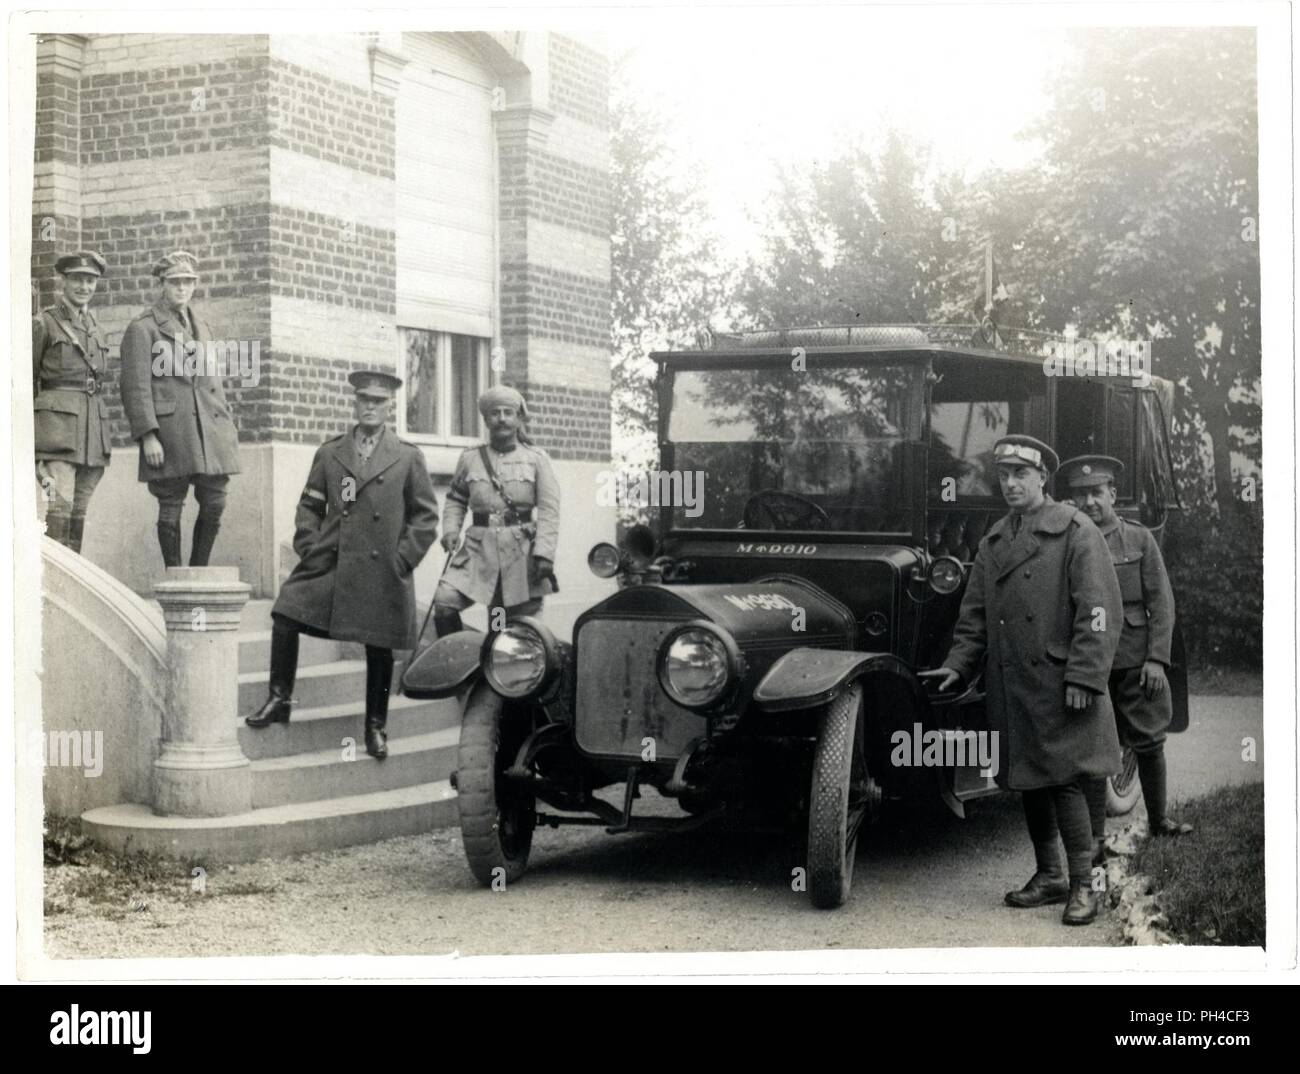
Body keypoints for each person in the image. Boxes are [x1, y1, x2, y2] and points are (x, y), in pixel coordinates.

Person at [920, 435, 1123, 926]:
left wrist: (1085, 675)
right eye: (1004, 475)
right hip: (1012, 684)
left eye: (1020, 475)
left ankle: (1083, 885)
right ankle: (1050, 874)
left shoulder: (1076, 531)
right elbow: (974, 618)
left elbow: (1099, 612)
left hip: (1061, 683)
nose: (1010, 484)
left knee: (1067, 781)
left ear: (1042, 479)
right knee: (1027, 779)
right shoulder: (994, 541)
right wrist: (958, 665)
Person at [244, 370, 439, 759]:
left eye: (378, 401)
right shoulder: (331, 452)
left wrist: (402, 559)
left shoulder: (408, 456)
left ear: (389, 407)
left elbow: (426, 517)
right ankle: (279, 698)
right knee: (285, 613)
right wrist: (309, 544)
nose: (370, 406)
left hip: (382, 567)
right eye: (363, 399)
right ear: (355, 403)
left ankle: (375, 726)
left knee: (379, 647)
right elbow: (310, 505)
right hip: (332, 560)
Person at [1058, 455, 1191, 845]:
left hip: (1134, 660)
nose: (1089, 502)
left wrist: (1156, 659)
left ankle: (1159, 820)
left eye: (1096, 493)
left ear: (1112, 494)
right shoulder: (1067, 539)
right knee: (1094, 752)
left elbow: (1161, 603)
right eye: (1080, 495)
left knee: (1149, 741)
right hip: (1087, 664)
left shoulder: (1139, 539)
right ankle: (1095, 838)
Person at [119, 250, 241, 568]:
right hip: (170, 432)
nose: (182, 288)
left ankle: (198, 571)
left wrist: (225, 423)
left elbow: (211, 381)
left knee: (215, 501)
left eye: (188, 282)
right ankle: (175, 575)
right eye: (175, 282)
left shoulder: (203, 326)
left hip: (209, 431)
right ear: (162, 284)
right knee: (171, 502)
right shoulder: (143, 328)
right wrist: (148, 436)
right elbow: (135, 386)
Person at [430, 385, 560, 638]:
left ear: (519, 418)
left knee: (511, 624)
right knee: (445, 601)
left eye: (508, 413)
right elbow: (456, 499)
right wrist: (450, 531)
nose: (501, 418)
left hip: (520, 552)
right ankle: (455, 663)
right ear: (486, 419)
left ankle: (501, 671)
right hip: (479, 550)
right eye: (495, 413)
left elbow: (549, 510)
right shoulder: (470, 458)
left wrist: (545, 554)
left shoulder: (536, 459)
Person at [33, 252, 113, 553]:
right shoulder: (44, 323)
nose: (84, 286)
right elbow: (25, 382)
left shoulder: (95, 328)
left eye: (90, 280)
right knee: (60, 505)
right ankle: (53, 588)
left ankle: (72, 583)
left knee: (79, 509)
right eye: (77, 279)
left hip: (92, 431)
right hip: (56, 431)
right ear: (63, 281)